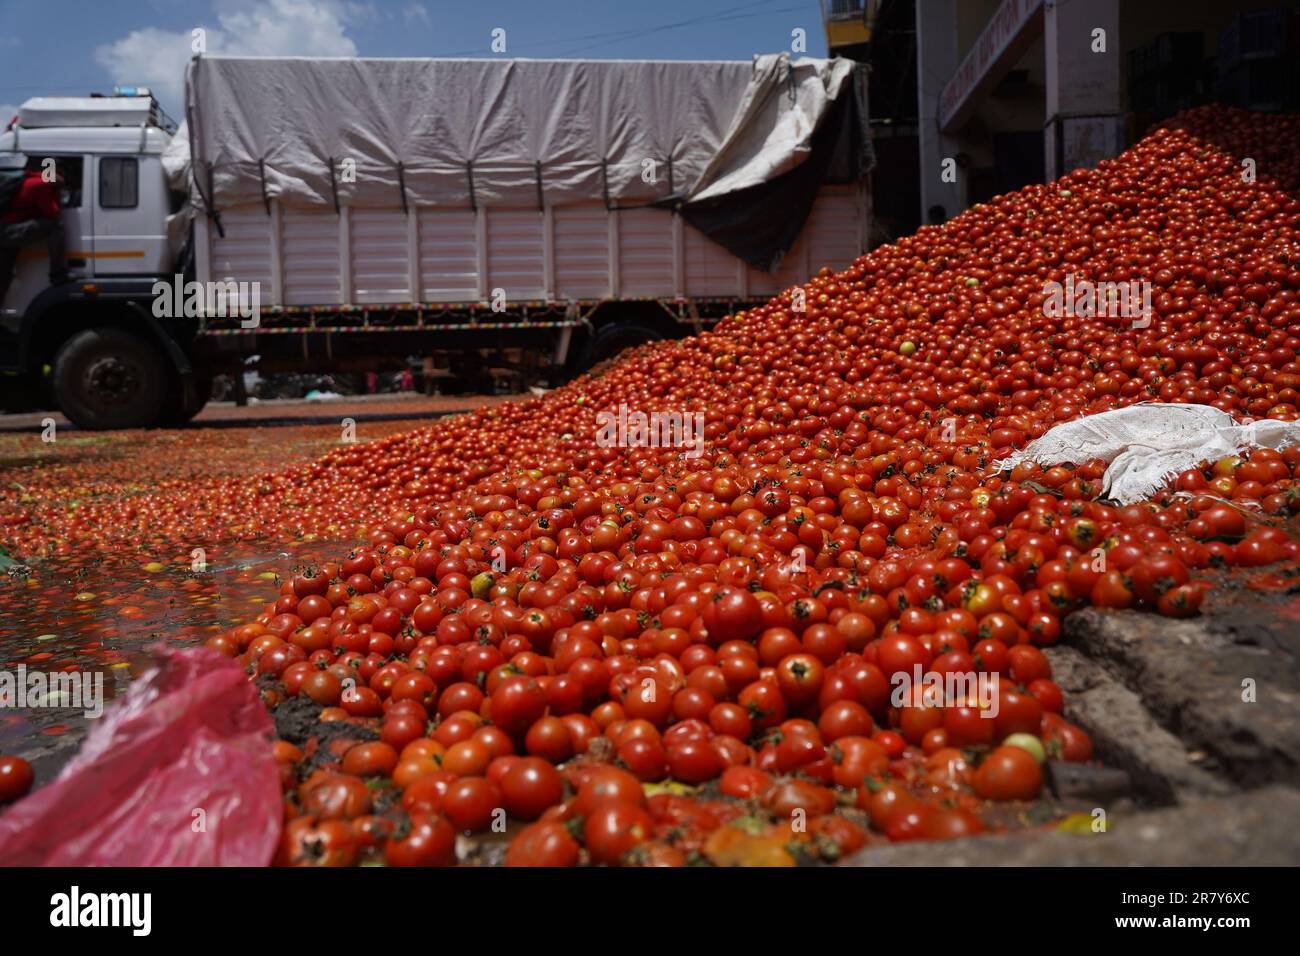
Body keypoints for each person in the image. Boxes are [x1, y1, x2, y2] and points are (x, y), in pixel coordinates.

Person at [0, 155, 68, 308]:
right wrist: (56, 188)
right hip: (10, 232)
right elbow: (53, 213)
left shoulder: (29, 179)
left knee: (4, 275)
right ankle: (57, 272)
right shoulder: (41, 184)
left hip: (7, 230)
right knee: (54, 226)